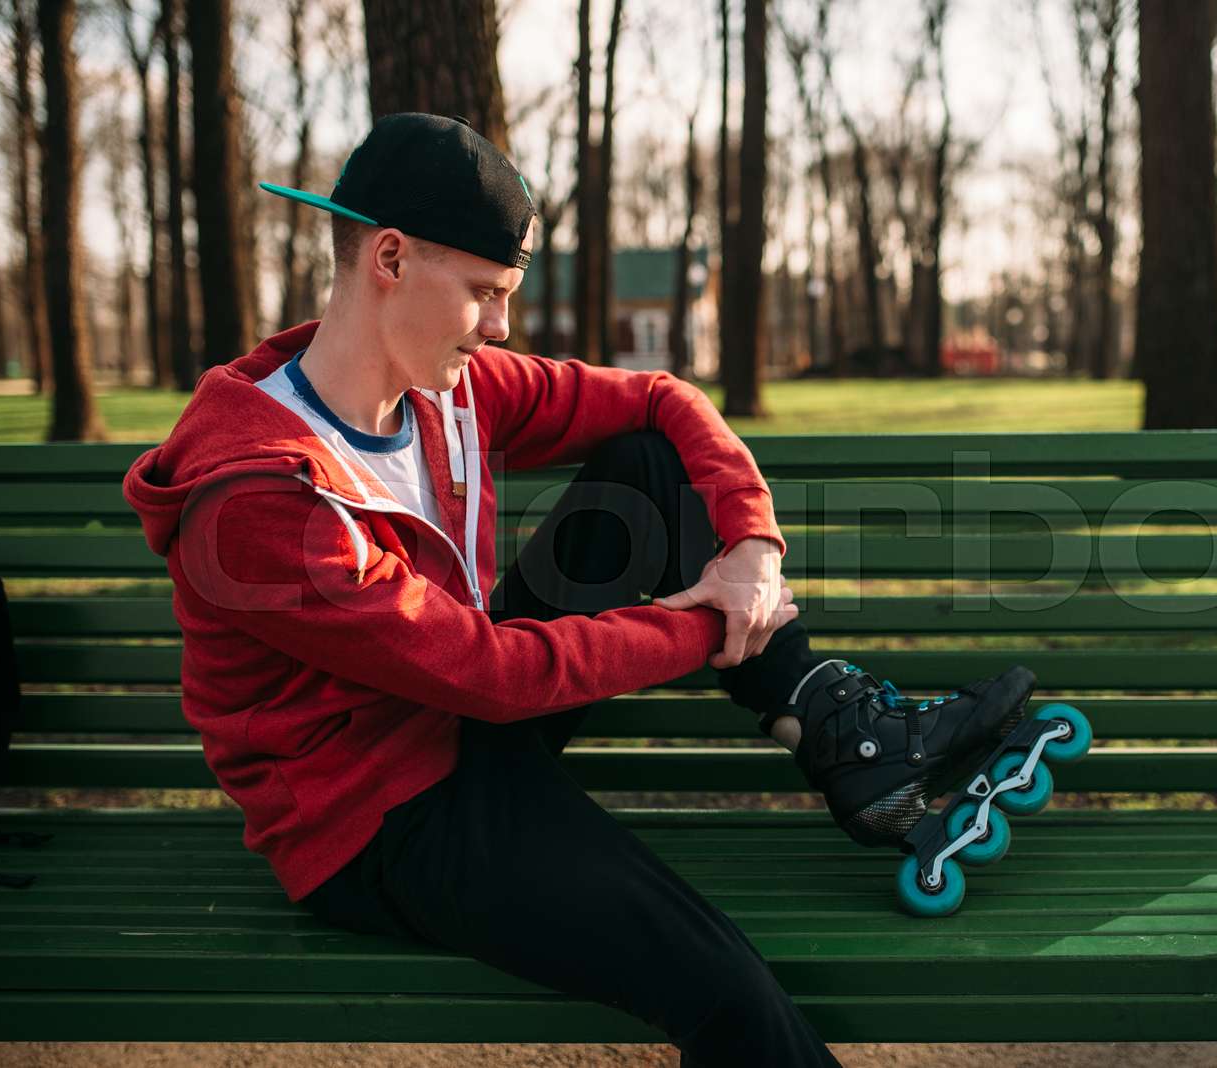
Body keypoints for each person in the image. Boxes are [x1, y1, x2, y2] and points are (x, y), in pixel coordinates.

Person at [123, 112, 1036, 1065]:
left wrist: (755, 547)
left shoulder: (447, 392)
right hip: (377, 819)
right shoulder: (259, 496)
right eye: (483, 292)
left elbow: (660, 397)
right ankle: (847, 755)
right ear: (388, 258)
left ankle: (839, 735)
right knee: (727, 989)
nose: (500, 325)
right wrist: (703, 622)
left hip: (465, 722)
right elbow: (488, 673)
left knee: (646, 459)